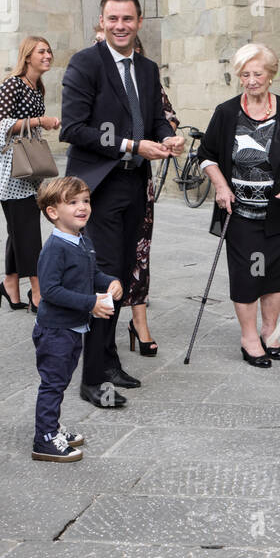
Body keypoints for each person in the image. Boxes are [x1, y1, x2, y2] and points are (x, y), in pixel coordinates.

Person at [59, 0, 183, 409]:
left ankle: (109, 361)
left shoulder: (147, 69)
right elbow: (72, 128)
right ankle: (93, 379)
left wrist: (168, 137)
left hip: (135, 184)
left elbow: (155, 119)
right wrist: (131, 144)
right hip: (98, 188)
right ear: (102, 21)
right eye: (112, 19)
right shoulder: (85, 63)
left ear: (139, 22)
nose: (120, 26)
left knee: (124, 275)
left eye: (127, 19)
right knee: (106, 277)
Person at [199, 44, 280, 367]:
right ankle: (249, 337)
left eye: (257, 74)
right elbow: (206, 154)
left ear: (270, 75)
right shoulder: (226, 112)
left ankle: (269, 331)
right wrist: (221, 186)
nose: (251, 81)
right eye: (245, 74)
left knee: (273, 273)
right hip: (241, 214)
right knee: (249, 274)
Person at [31, 176, 122, 462]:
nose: (82, 207)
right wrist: (91, 303)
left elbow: (92, 274)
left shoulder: (82, 239)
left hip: (72, 328)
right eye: (72, 202)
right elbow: (50, 291)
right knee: (53, 384)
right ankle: (44, 439)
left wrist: (110, 281)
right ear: (53, 212)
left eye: (86, 201)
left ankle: (52, 427)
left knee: (60, 381)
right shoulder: (55, 248)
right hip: (55, 330)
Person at [0, 36, 60, 312]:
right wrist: (39, 121)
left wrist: (42, 123)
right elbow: (0, 124)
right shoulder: (12, 84)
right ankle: (37, 291)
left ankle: (10, 283)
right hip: (10, 169)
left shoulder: (37, 86)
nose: (47, 55)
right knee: (27, 229)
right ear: (27, 57)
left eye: (49, 51)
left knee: (20, 227)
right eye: (41, 51)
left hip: (29, 167)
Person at [124, 36, 180, 357]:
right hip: (99, 181)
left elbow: (165, 116)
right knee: (101, 254)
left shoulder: (145, 77)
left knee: (139, 252)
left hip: (137, 177)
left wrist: (170, 137)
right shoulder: (92, 75)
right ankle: (96, 320)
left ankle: (140, 323)